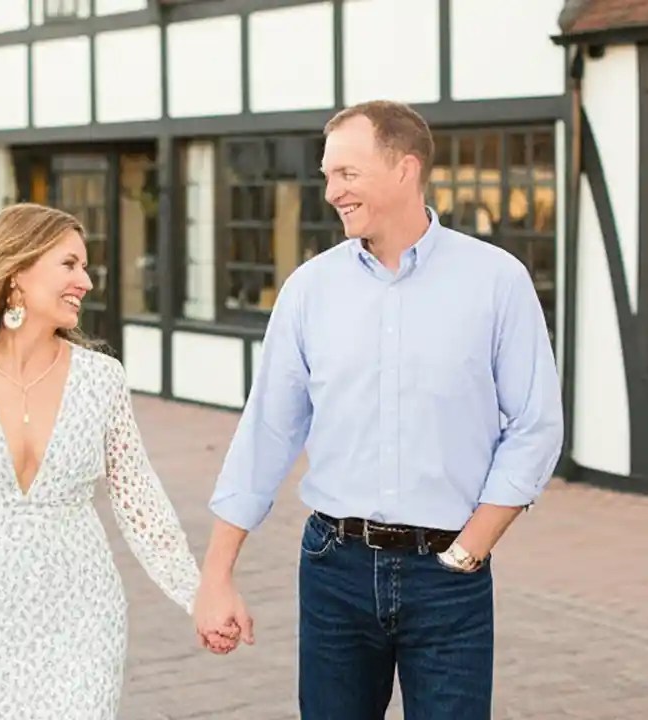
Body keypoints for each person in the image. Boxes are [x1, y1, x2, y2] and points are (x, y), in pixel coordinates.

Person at [193, 100, 565, 718]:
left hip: (449, 579)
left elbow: (535, 424)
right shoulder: (310, 291)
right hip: (333, 570)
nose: (332, 191)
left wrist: (471, 546)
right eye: (328, 176)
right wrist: (216, 575)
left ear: (404, 169)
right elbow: (266, 433)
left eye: (347, 173)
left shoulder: (497, 281)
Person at [0, 203, 216, 720]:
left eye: (85, 267)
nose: (86, 280)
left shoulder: (101, 379)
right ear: (17, 271)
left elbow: (140, 504)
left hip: (83, 617)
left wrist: (199, 598)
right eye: (70, 264)